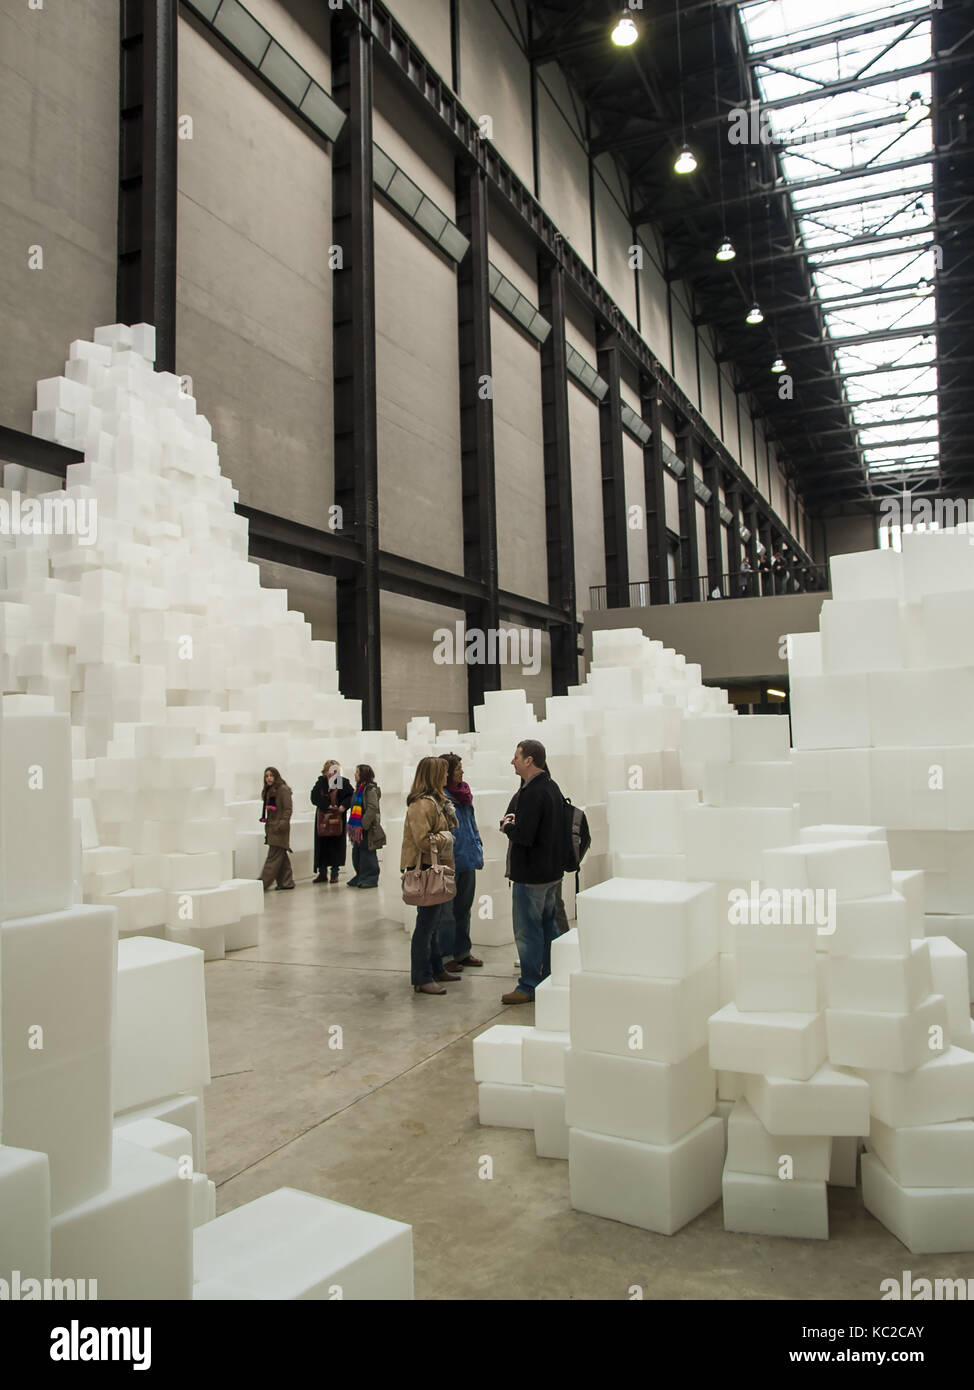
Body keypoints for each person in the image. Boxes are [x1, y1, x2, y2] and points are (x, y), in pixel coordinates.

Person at [500, 739, 567, 1005]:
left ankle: (528, 985)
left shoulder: (532, 793)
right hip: (551, 872)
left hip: (531, 875)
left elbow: (525, 836)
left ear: (529, 760)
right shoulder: (551, 787)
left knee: (528, 932)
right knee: (548, 927)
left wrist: (507, 828)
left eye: (516, 756)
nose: (512, 761)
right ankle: (549, 977)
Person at [402, 756, 459, 995]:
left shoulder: (436, 802)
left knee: (433, 924)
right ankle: (422, 976)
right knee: (426, 926)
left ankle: (436, 968)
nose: (447, 777)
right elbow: (423, 841)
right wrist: (446, 837)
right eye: (443, 773)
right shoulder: (421, 805)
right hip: (426, 869)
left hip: (434, 868)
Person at [438, 753, 485, 972]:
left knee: (464, 909)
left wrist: (478, 851)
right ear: (447, 772)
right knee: (446, 912)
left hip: (467, 859)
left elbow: (472, 826)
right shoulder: (441, 799)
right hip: (449, 861)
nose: (462, 771)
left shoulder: (465, 797)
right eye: (458, 768)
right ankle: (446, 956)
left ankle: (462, 952)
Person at [310, 759, 354, 884]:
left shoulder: (342, 782)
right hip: (323, 819)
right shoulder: (321, 783)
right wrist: (327, 806)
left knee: (336, 845)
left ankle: (335, 873)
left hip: (337, 818)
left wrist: (343, 806)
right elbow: (314, 797)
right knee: (322, 845)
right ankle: (322, 873)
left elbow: (350, 796)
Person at [346, 764, 385, 889]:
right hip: (357, 827)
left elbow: (372, 808)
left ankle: (370, 877)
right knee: (357, 853)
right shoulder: (358, 789)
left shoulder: (370, 790)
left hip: (366, 828)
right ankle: (360, 875)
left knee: (367, 853)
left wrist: (363, 824)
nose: (355, 774)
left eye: (357, 772)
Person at [260, 767, 294, 890]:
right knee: (281, 856)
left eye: (271, 775)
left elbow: (288, 809)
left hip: (279, 829)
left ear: (276, 776)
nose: (268, 778)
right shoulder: (270, 791)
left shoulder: (283, 790)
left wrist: (281, 824)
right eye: (266, 776)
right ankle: (286, 882)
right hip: (272, 828)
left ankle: (262, 883)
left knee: (273, 857)